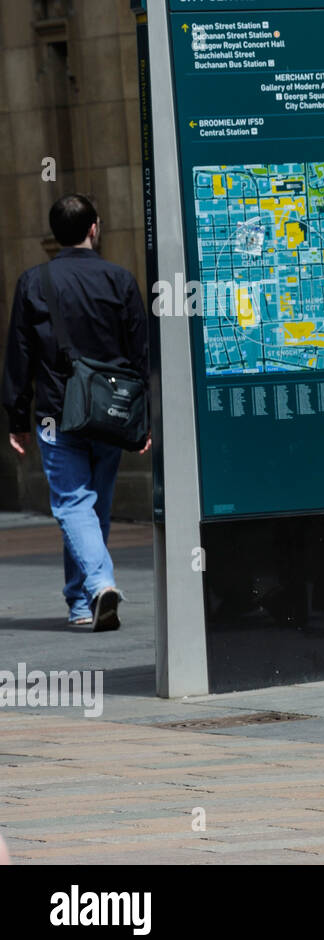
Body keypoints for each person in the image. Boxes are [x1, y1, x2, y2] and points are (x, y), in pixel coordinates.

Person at [2, 194, 149, 631]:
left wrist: (16, 418)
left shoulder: (34, 281)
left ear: (55, 234)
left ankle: (98, 585)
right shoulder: (120, 280)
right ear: (94, 228)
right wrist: (143, 422)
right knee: (92, 508)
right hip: (111, 413)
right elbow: (140, 354)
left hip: (55, 412)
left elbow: (19, 355)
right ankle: (81, 603)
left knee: (73, 506)